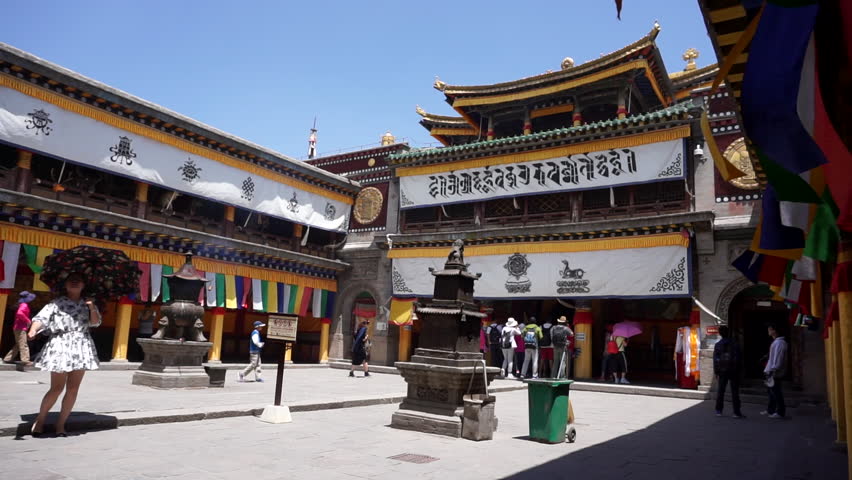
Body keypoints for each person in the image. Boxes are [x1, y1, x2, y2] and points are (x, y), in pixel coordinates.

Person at [26, 273, 102, 437]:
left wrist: (91, 306)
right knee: (56, 388)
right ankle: (40, 419)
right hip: (61, 344)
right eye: (71, 281)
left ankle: (61, 424)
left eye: (78, 280)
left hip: (81, 345)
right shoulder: (56, 303)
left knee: (73, 389)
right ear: (66, 285)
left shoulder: (88, 303)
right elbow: (41, 318)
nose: (75, 283)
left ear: (83, 286)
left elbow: (95, 322)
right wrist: (33, 330)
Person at [713, 325, 743, 418]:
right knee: (735, 391)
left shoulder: (718, 345)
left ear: (720, 333)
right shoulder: (734, 343)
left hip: (722, 370)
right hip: (733, 370)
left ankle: (719, 410)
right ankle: (736, 412)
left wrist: (716, 371)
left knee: (721, 391)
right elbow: (738, 358)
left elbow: (716, 359)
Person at [761, 323, 787, 419]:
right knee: (771, 392)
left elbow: (778, 358)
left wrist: (773, 370)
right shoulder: (776, 342)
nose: (769, 331)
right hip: (771, 370)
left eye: (770, 329)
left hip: (774, 371)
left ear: (774, 330)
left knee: (776, 392)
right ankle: (770, 410)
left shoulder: (779, 343)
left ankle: (780, 412)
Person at [4, 291, 36, 365]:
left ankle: (8, 358)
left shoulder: (22, 304)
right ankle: (25, 360)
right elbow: (19, 313)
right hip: (20, 328)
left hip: (18, 327)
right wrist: (27, 320)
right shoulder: (24, 305)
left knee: (19, 344)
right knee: (23, 344)